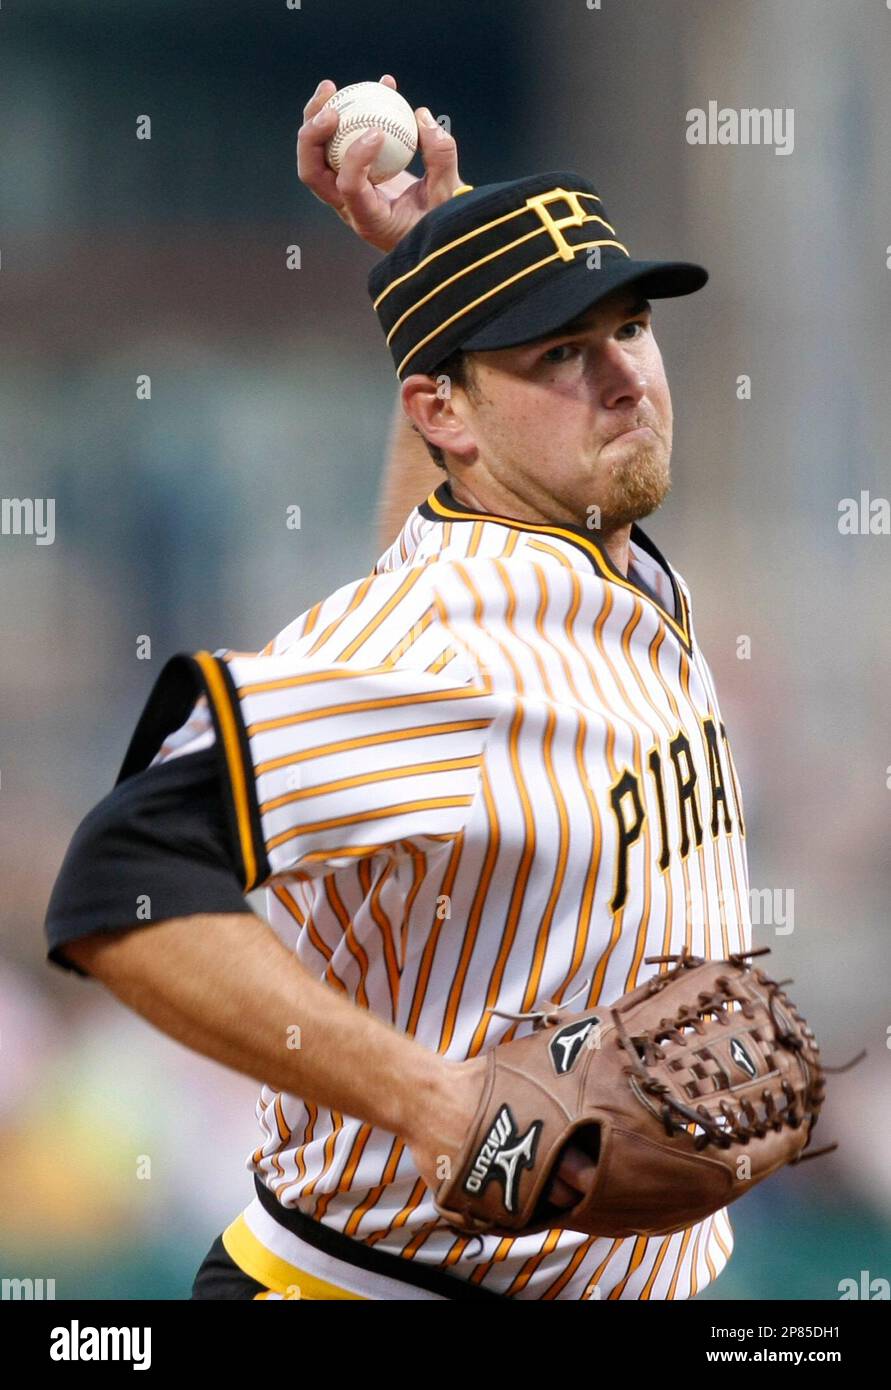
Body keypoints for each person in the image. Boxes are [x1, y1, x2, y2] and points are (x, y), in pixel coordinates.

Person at [44, 78, 750, 1301]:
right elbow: (121, 882)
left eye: (631, 326)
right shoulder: (442, 647)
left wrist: (443, 245)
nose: (625, 374)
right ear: (443, 412)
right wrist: (432, 1102)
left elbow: (430, 571)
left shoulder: (597, 556)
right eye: (561, 353)